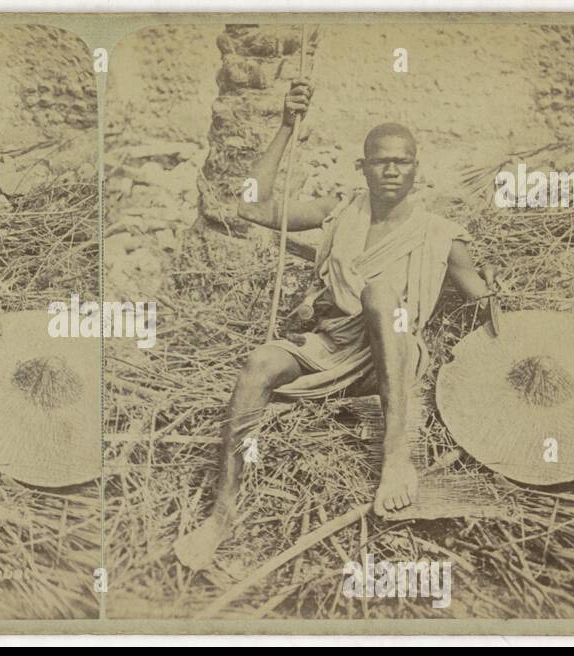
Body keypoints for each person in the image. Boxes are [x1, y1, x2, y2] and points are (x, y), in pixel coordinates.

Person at [174, 80, 497, 571]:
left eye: (402, 160)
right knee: (260, 361)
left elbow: (485, 299)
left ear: (416, 167)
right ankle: (224, 513)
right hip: (330, 347)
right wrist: (285, 125)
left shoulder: (439, 234)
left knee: (380, 292)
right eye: (381, 161)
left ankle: (394, 456)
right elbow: (249, 204)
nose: (392, 169)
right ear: (362, 167)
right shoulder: (339, 212)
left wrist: (493, 287)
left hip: (390, 354)